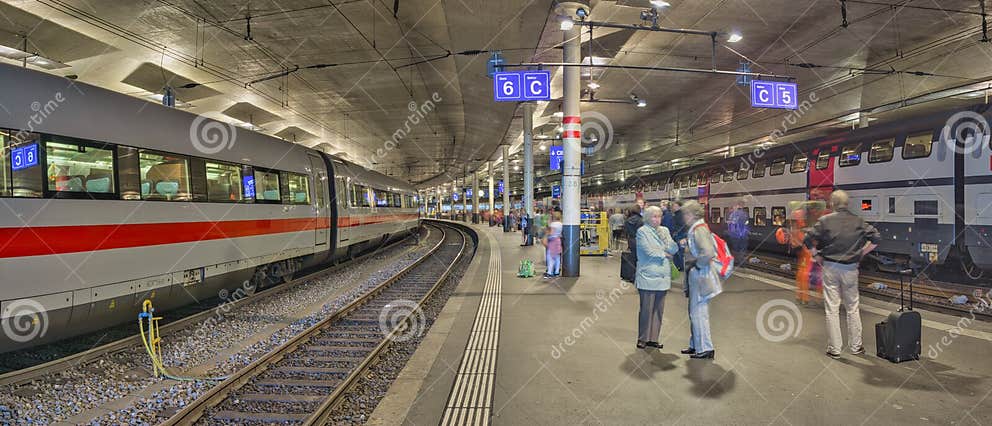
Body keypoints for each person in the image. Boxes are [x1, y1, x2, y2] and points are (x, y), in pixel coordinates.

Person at [804, 190, 880, 359]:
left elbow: (807, 239)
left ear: (832, 204)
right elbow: (876, 237)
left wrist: (816, 255)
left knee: (832, 308)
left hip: (830, 267)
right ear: (847, 204)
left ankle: (835, 349)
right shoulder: (857, 220)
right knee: (852, 308)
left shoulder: (825, 221)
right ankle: (856, 347)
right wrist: (862, 252)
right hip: (851, 269)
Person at [681, 200, 721, 360]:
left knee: (698, 311)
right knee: (695, 311)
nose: (683, 217)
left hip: (700, 275)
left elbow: (708, 252)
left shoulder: (699, 229)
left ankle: (705, 348)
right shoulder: (698, 228)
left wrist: (697, 265)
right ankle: (696, 344)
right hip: (698, 274)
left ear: (690, 214)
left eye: (685, 214)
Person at [634, 206, 679, 349]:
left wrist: (668, 243)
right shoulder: (642, 232)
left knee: (659, 310)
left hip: (663, 277)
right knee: (646, 309)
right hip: (648, 276)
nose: (657, 219)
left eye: (659, 216)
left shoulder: (664, 231)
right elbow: (648, 252)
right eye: (654, 216)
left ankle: (653, 338)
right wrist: (664, 254)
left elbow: (674, 249)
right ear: (647, 218)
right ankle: (642, 338)